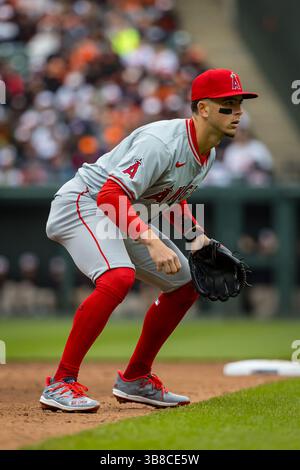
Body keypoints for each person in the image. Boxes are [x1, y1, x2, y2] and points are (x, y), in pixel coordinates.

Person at [40, 68, 258, 412]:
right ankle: (61, 382)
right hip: (84, 202)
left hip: (119, 211)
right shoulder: (161, 143)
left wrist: (196, 238)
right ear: (203, 109)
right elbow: (110, 195)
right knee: (118, 276)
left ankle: (135, 378)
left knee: (185, 283)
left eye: (239, 105)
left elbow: (169, 198)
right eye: (228, 105)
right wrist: (152, 241)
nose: (238, 113)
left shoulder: (208, 151)